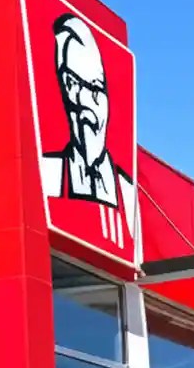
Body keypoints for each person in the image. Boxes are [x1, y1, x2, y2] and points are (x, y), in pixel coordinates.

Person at [40, 13, 136, 243]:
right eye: (71, 83)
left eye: (93, 87)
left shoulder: (128, 193)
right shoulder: (47, 174)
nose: (79, 99)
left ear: (108, 98)